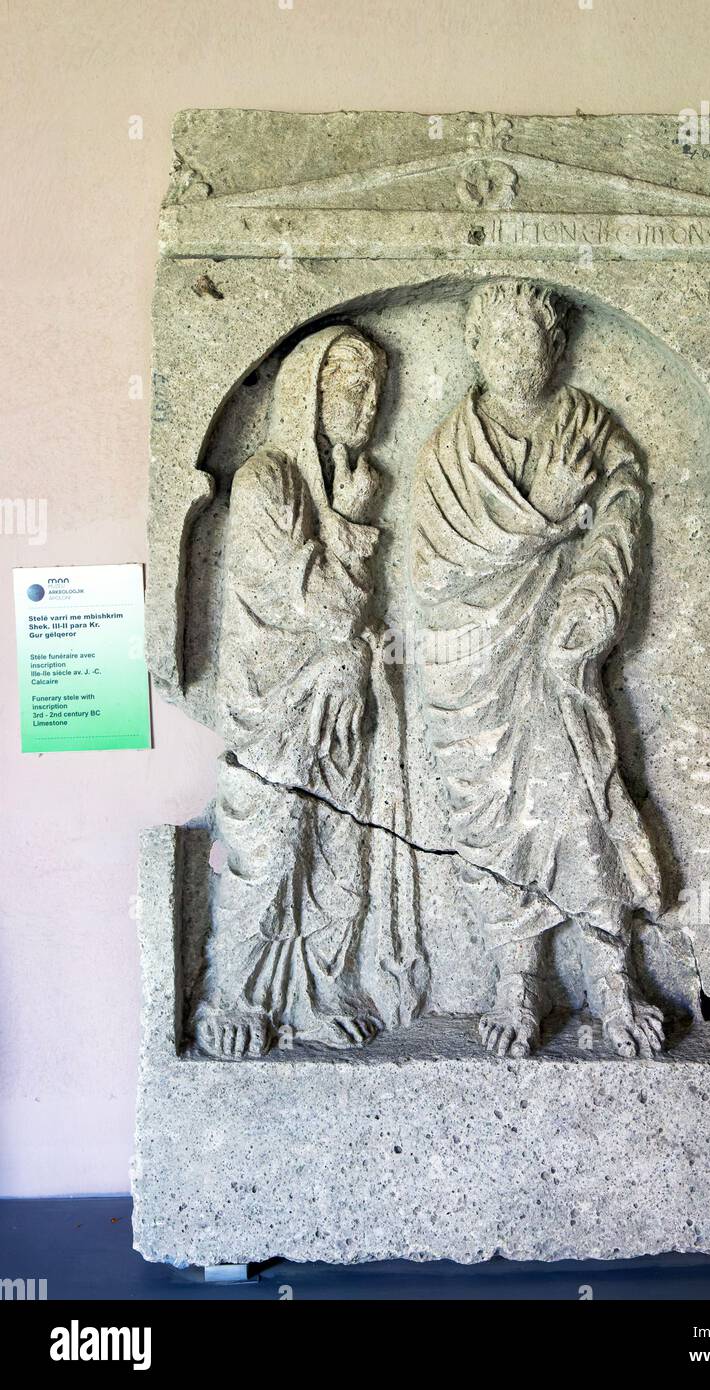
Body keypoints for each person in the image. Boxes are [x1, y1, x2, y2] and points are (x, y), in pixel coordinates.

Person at [410, 280, 665, 1059]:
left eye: (533, 341)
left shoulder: (587, 426)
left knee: (575, 804)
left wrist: (597, 591)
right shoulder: (447, 454)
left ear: (557, 349)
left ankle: (613, 976)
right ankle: (516, 977)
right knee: (489, 824)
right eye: (502, 341)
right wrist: (547, 515)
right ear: (477, 351)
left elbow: (622, 509)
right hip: (472, 663)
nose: (519, 357)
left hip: (553, 653)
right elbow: (434, 580)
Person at [195, 325, 393, 1057]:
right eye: (350, 380)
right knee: (273, 844)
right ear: (308, 389)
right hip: (274, 703)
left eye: (377, 386)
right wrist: (355, 519)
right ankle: (239, 995)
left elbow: (356, 621)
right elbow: (328, 607)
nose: (367, 400)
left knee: (343, 845)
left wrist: (356, 664)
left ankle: (324, 988)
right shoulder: (268, 480)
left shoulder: (349, 474)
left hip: (340, 699)